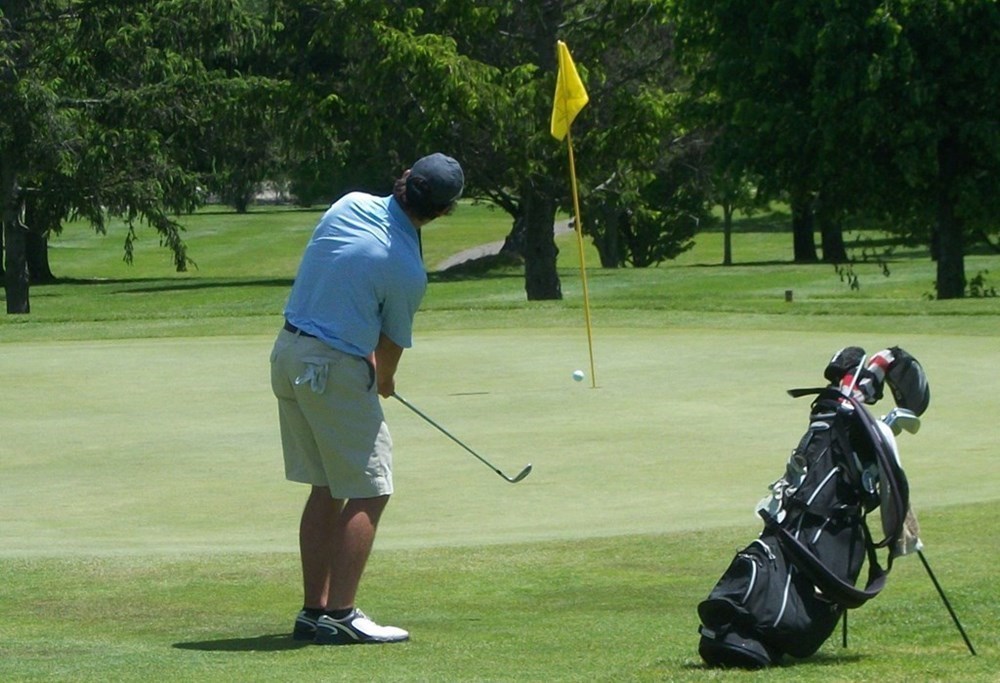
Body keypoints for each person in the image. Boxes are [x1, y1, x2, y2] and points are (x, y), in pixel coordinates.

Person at [270, 153, 464, 645]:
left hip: (288, 353)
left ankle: (314, 612)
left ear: (404, 179)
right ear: (443, 211)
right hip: (331, 368)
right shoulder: (407, 270)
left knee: (326, 486)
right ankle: (341, 615)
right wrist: (385, 378)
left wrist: (370, 360)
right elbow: (390, 349)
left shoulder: (349, 203)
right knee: (370, 488)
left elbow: (340, 273)